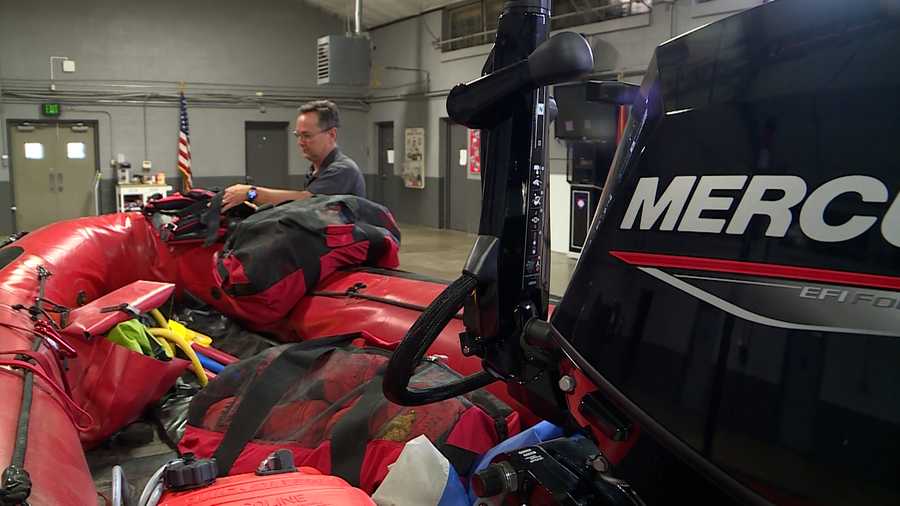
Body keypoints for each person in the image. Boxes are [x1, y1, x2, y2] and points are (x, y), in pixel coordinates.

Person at [221, 100, 366, 212]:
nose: (300, 142)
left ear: (332, 134)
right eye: (298, 135)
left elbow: (306, 201)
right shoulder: (315, 170)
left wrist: (251, 193)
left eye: (307, 135)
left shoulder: (342, 170)